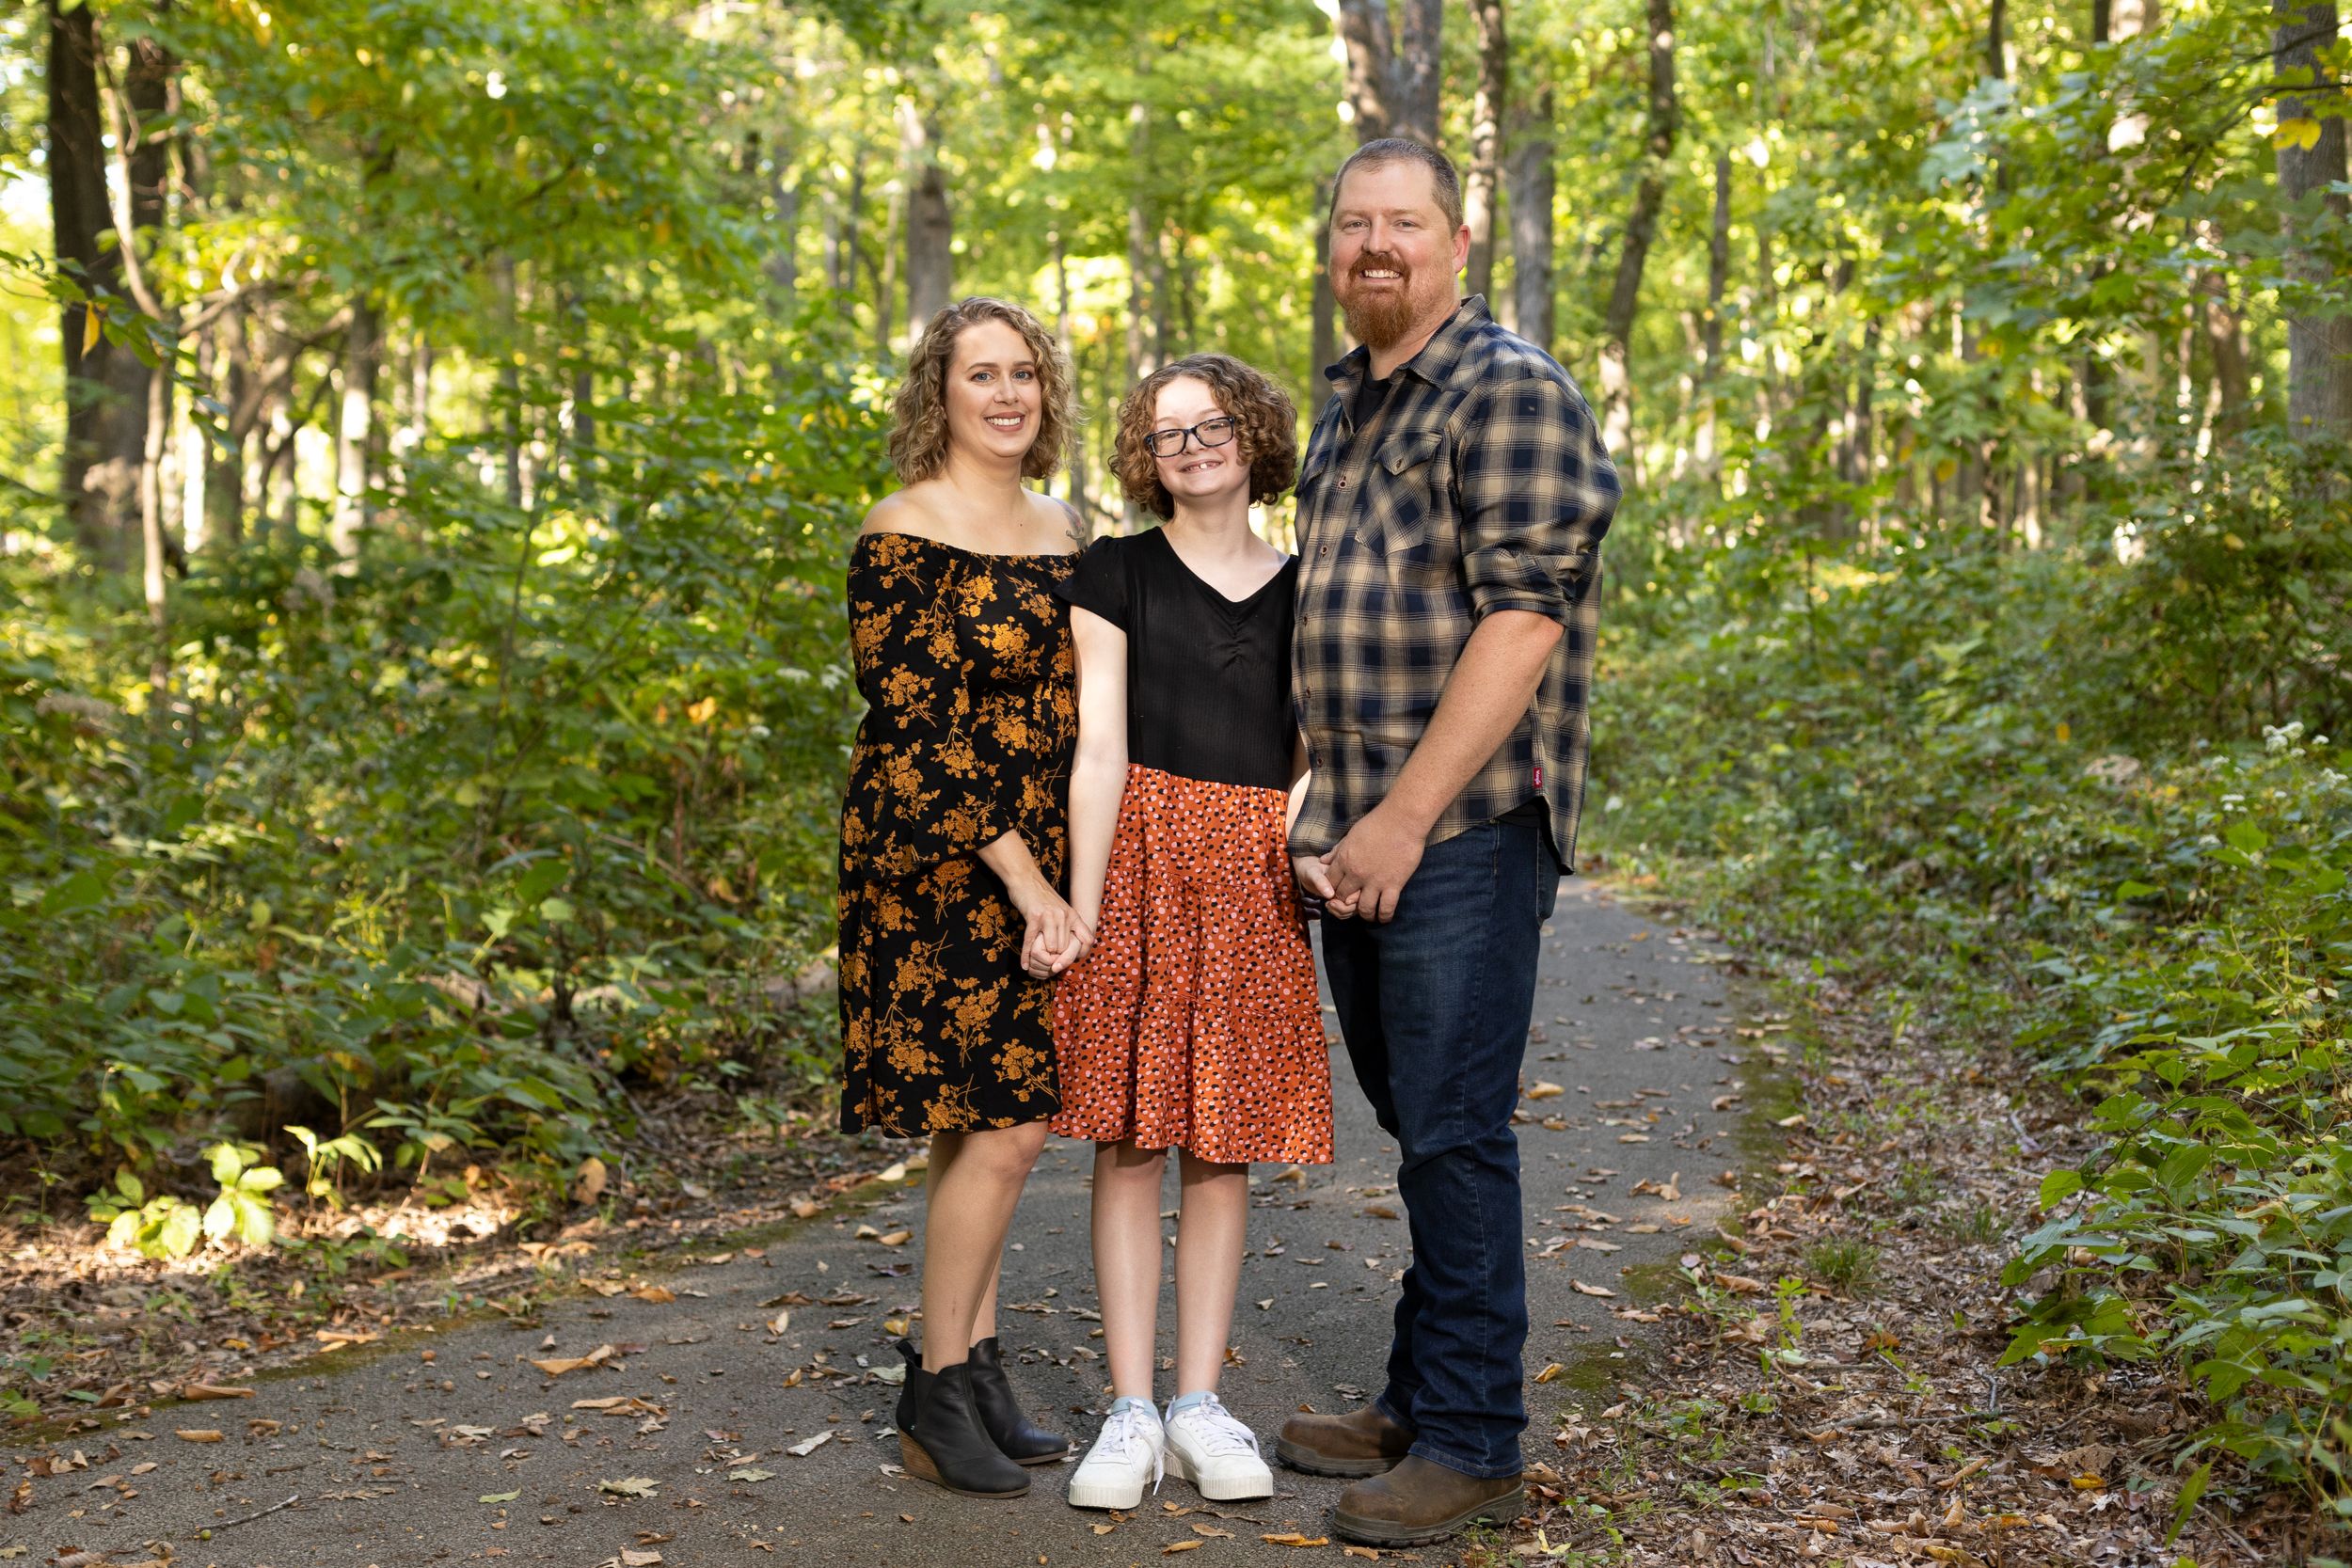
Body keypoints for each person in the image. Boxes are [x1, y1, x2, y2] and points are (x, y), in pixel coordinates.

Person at [1276, 139, 1623, 1548]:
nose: (1375, 246)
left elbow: (1522, 618)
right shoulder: (1351, 402)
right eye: (1354, 224)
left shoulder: (1510, 388)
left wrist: (1404, 820)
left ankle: (1476, 1437)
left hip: (1459, 835)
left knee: (1455, 1131)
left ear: (1458, 240)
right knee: (1422, 1121)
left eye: (1402, 224)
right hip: (1359, 834)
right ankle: (1425, 1392)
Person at [1050, 355, 1335, 1513]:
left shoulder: (1313, 583)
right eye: (1168, 432)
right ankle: (1129, 1410)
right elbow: (1099, 744)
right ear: (1146, 455)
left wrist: (1290, 835)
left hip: (1254, 865)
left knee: (1222, 1143)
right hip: (1141, 861)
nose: (1194, 443)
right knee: (1126, 1136)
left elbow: (1320, 747)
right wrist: (1083, 894)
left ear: (1253, 435)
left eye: (1212, 423)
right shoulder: (1113, 571)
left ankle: (1199, 1400)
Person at [836, 295, 1096, 1498]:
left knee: (973, 1115)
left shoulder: (1063, 526)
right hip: (936, 860)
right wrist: (1031, 876)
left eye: (1024, 375)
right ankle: (934, 1391)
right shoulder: (901, 530)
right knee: (1007, 1118)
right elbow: (921, 729)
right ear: (936, 392)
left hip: (1038, 850)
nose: (1006, 394)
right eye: (981, 374)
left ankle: (974, 1358)